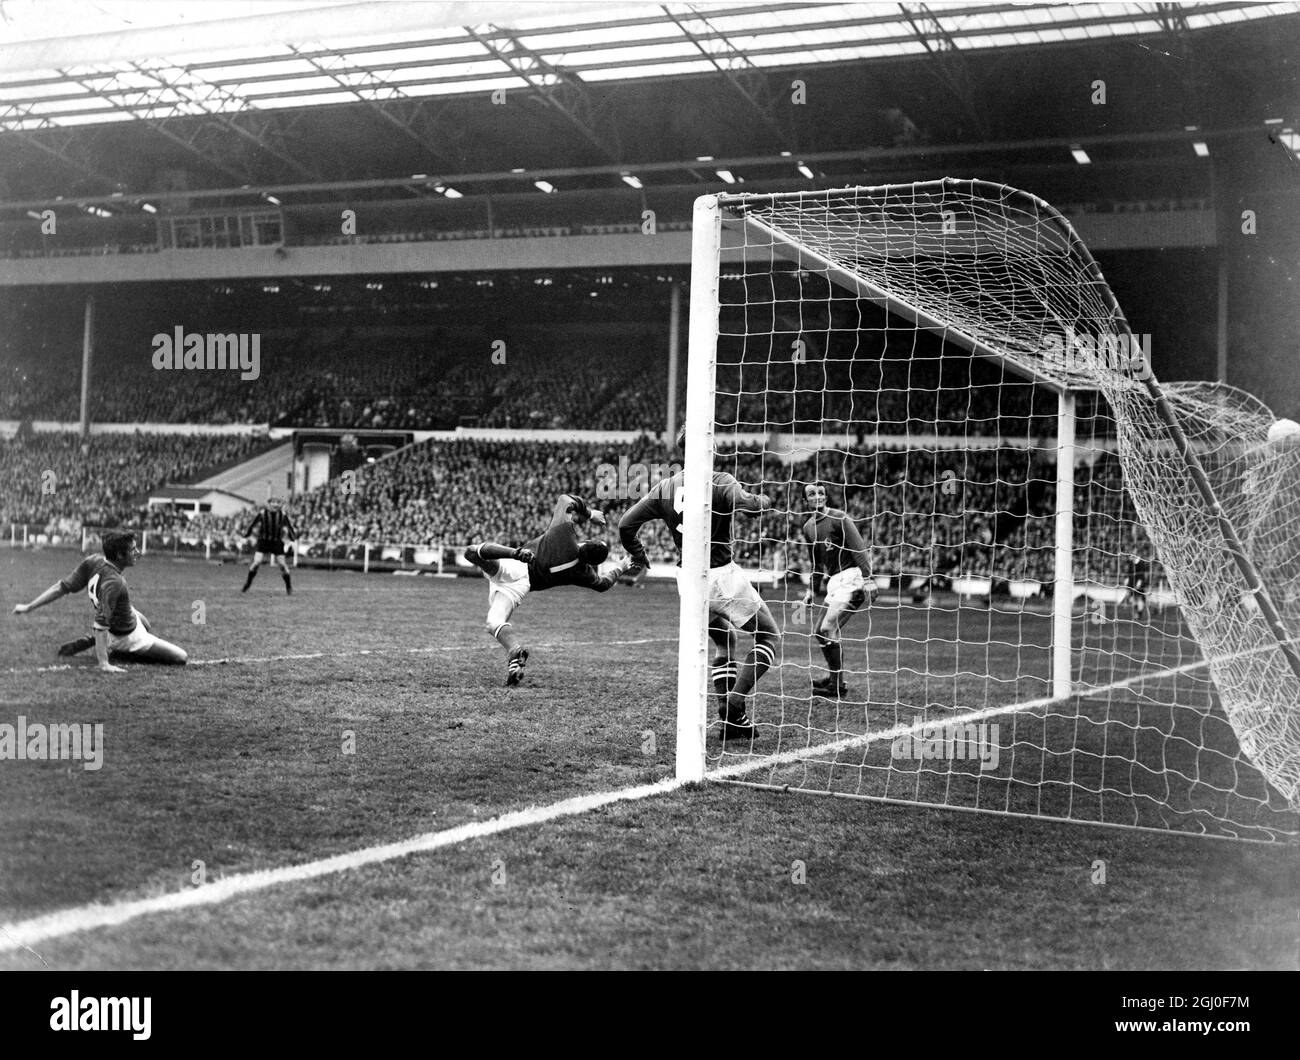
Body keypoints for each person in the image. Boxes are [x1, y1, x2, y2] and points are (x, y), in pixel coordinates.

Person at [619, 429, 776, 740]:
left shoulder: (665, 485)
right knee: (769, 635)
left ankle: (730, 724)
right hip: (720, 576)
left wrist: (639, 556)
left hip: (688, 581)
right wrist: (764, 499)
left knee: (725, 642)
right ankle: (734, 702)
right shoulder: (720, 479)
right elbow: (748, 503)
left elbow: (625, 525)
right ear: (709, 448)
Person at [464, 493, 632, 686]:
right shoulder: (584, 573)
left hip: (516, 566)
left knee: (471, 552)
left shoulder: (564, 534)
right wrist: (622, 567)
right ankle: (515, 653)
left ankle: (515, 552)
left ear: (584, 542)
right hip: (521, 586)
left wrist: (590, 513)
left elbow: (565, 498)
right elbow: (603, 584)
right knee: (493, 623)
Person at [12, 530, 188, 671]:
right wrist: (104, 663)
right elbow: (100, 624)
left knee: (146, 624)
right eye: (133, 550)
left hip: (120, 616)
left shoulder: (93, 561)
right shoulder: (115, 582)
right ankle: (115, 647)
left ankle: (100, 640)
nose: (138, 552)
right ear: (119, 555)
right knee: (181, 657)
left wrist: (29, 607)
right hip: (125, 635)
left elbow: (62, 587)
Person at [801, 482, 874, 698]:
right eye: (812, 494)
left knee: (827, 628)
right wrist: (811, 591)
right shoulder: (808, 528)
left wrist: (869, 579)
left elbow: (859, 547)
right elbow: (815, 563)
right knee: (820, 632)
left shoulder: (840, 517)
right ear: (805, 501)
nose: (817, 496)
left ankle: (836, 686)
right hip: (833, 582)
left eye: (821, 493)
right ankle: (835, 679)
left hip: (851, 576)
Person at [241, 496, 297, 594]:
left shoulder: (282, 515)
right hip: (264, 541)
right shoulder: (262, 514)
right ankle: (248, 584)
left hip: (276, 542)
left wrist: (293, 538)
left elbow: (289, 527)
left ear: (280, 504)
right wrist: (247, 534)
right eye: (273, 502)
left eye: (277, 502)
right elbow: (252, 524)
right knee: (257, 562)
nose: (275, 504)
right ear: (269, 504)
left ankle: (289, 587)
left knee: (282, 565)